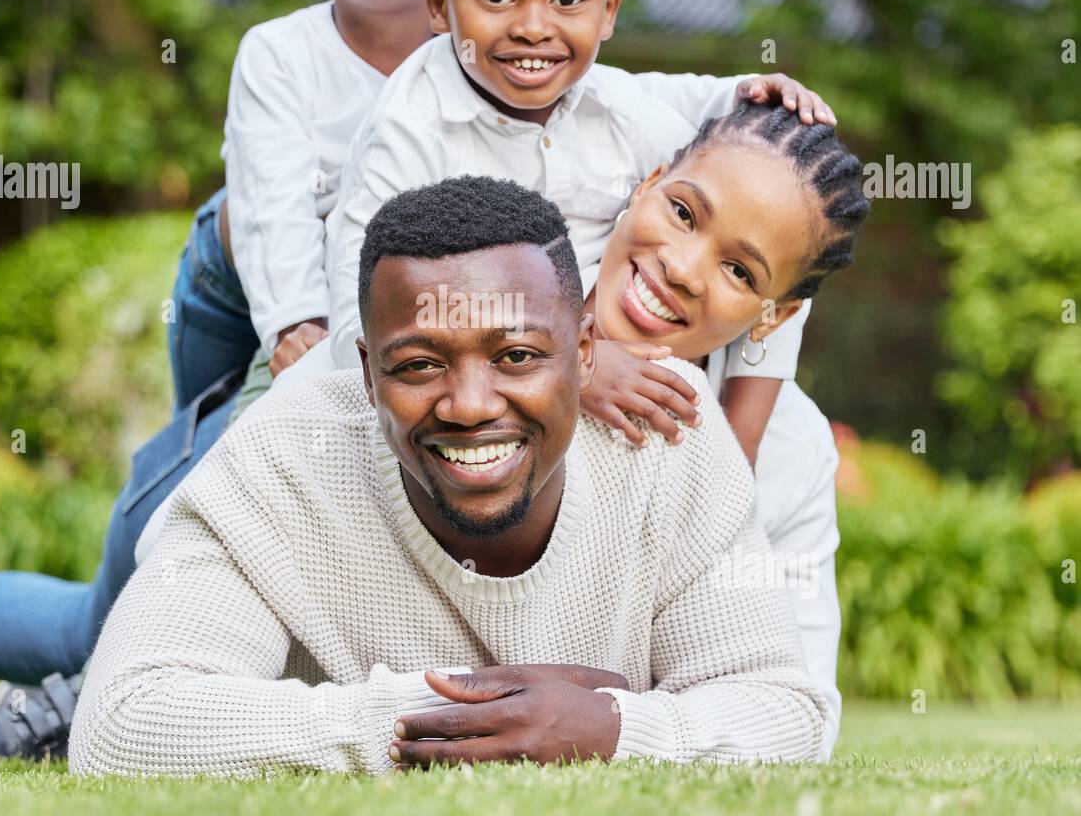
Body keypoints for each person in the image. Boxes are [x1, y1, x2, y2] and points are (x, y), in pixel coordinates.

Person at [0, 0, 472, 761]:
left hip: (356, 338)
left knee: (105, 621)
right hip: (245, 298)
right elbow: (270, 213)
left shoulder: (481, 65)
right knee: (178, 523)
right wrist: (296, 328)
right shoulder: (281, 50)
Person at [69, 176, 830, 779]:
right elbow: (122, 724)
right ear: (367, 373)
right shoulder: (282, 456)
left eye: (517, 357)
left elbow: (784, 713)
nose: (469, 406)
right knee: (72, 632)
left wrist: (605, 728)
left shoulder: (671, 432)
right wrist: (451, 720)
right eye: (419, 365)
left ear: (585, 351)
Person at [320, 0, 836, 471]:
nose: (533, 27)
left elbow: (787, 245)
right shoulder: (407, 132)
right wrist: (572, 364)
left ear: (609, 8)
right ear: (438, 3)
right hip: (466, 412)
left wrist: (741, 443)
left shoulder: (624, 112)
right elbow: (359, 328)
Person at [589, 100, 870, 755]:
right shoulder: (487, 327)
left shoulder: (790, 449)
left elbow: (801, 715)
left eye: (740, 272)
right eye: (683, 213)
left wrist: (610, 725)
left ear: (775, 318)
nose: (682, 269)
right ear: (647, 183)